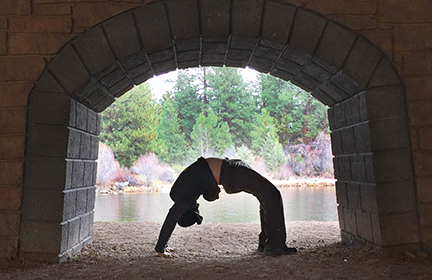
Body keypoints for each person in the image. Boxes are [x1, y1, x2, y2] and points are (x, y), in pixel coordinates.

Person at [155, 157, 297, 257]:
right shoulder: (183, 197)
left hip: (231, 169)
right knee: (272, 195)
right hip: (231, 173)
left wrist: (162, 247)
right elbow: (172, 216)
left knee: (266, 196)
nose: (197, 206)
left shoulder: (182, 195)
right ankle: (274, 245)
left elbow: (173, 216)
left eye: (196, 210)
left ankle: (267, 243)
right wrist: (161, 248)